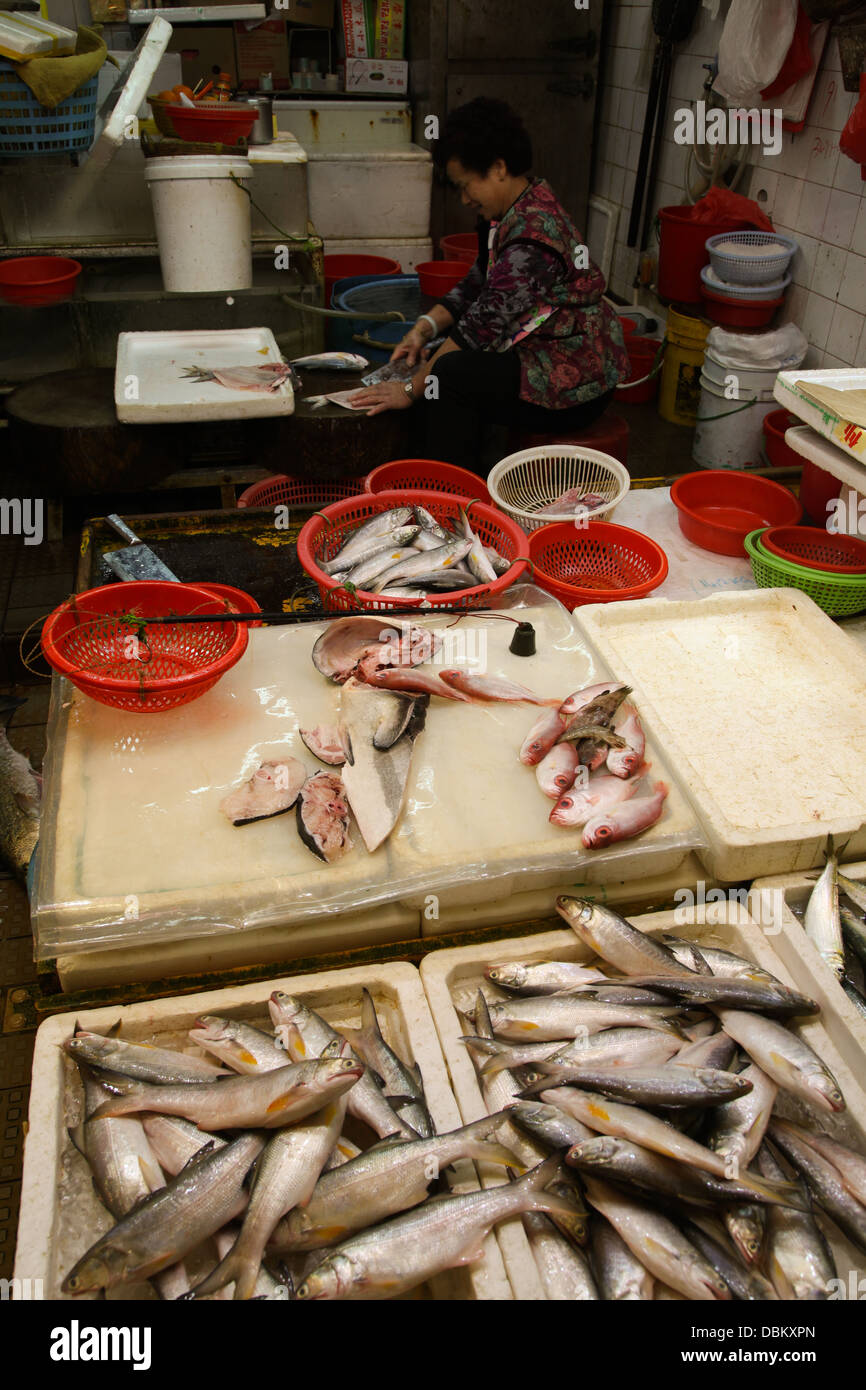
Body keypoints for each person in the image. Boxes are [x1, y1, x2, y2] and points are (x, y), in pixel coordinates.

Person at [348, 97, 630, 473]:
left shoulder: (533, 236)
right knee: (437, 357)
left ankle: (454, 494)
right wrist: (423, 327)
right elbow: (479, 282)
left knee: (449, 376)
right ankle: (431, 469)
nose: (465, 199)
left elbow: (480, 326)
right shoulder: (509, 213)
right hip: (541, 352)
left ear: (498, 168)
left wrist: (410, 389)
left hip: (575, 382)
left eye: (467, 186)